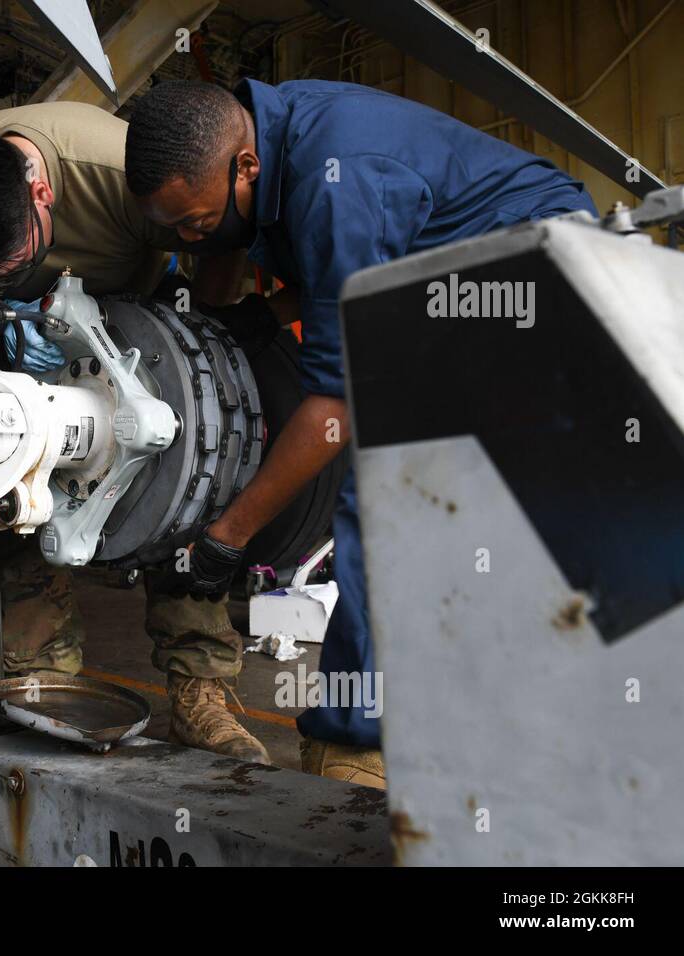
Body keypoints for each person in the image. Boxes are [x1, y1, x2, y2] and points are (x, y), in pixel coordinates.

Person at [124, 78, 597, 787]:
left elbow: (332, 408)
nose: (195, 238)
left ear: (244, 167)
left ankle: (358, 748)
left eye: (197, 221)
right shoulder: (284, 144)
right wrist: (270, 311)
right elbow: (350, 270)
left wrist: (229, 534)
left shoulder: (333, 181)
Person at [0, 101, 286, 762]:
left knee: (186, 489)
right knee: (21, 502)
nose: (19, 273)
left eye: (25, 258)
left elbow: (219, 237)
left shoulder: (117, 174)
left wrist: (208, 335)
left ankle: (200, 693)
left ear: (42, 191)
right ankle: (43, 688)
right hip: (7, 355)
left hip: (142, 340)